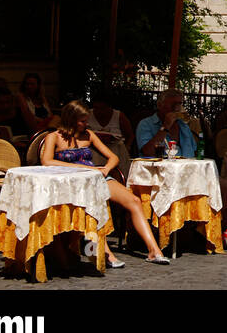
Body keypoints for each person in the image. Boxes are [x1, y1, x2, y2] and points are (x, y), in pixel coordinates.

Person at [42, 100, 170, 266]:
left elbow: (113, 157)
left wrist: (105, 169)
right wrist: (80, 168)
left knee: (134, 201)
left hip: (96, 178)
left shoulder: (88, 134)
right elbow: (47, 161)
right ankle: (105, 254)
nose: (86, 124)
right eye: (82, 121)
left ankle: (154, 251)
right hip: (72, 183)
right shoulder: (54, 137)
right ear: (70, 119)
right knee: (93, 208)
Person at [136, 90, 197, 158]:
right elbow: (147, 152)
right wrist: (165, 126)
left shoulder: (183, 126)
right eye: (173, 104)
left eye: (179, 104)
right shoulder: (146, 124)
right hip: (159, 168)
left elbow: (194, 152)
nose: (177, 108)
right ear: (159, 105)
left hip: (187, 167)